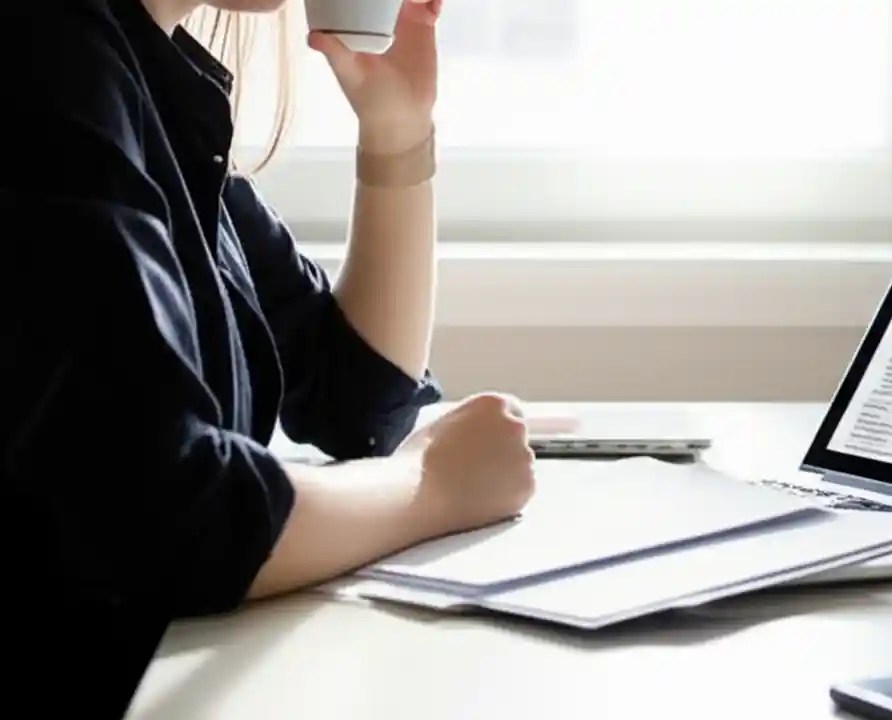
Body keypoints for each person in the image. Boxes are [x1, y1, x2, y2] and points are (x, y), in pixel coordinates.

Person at [0, 0, 535, 713]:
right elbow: (164, 513)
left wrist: (396, 131)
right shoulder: (47, 63)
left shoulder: (145, 76)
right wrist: (432, 486)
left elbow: (356, 398)